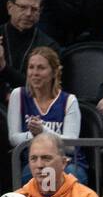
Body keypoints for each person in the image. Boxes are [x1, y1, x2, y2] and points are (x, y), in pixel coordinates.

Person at [7, 46, 80, 179]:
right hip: (34, 163)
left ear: (54, 73)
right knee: (30, 174)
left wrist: (42, 131)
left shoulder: (69, 100)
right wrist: (34, 133)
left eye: (41, 68)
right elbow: (13, 138)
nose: (34, 73)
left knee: (68, 175)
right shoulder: (18, 95)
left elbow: (71, 145)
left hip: (67, 163)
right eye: (31, 67)